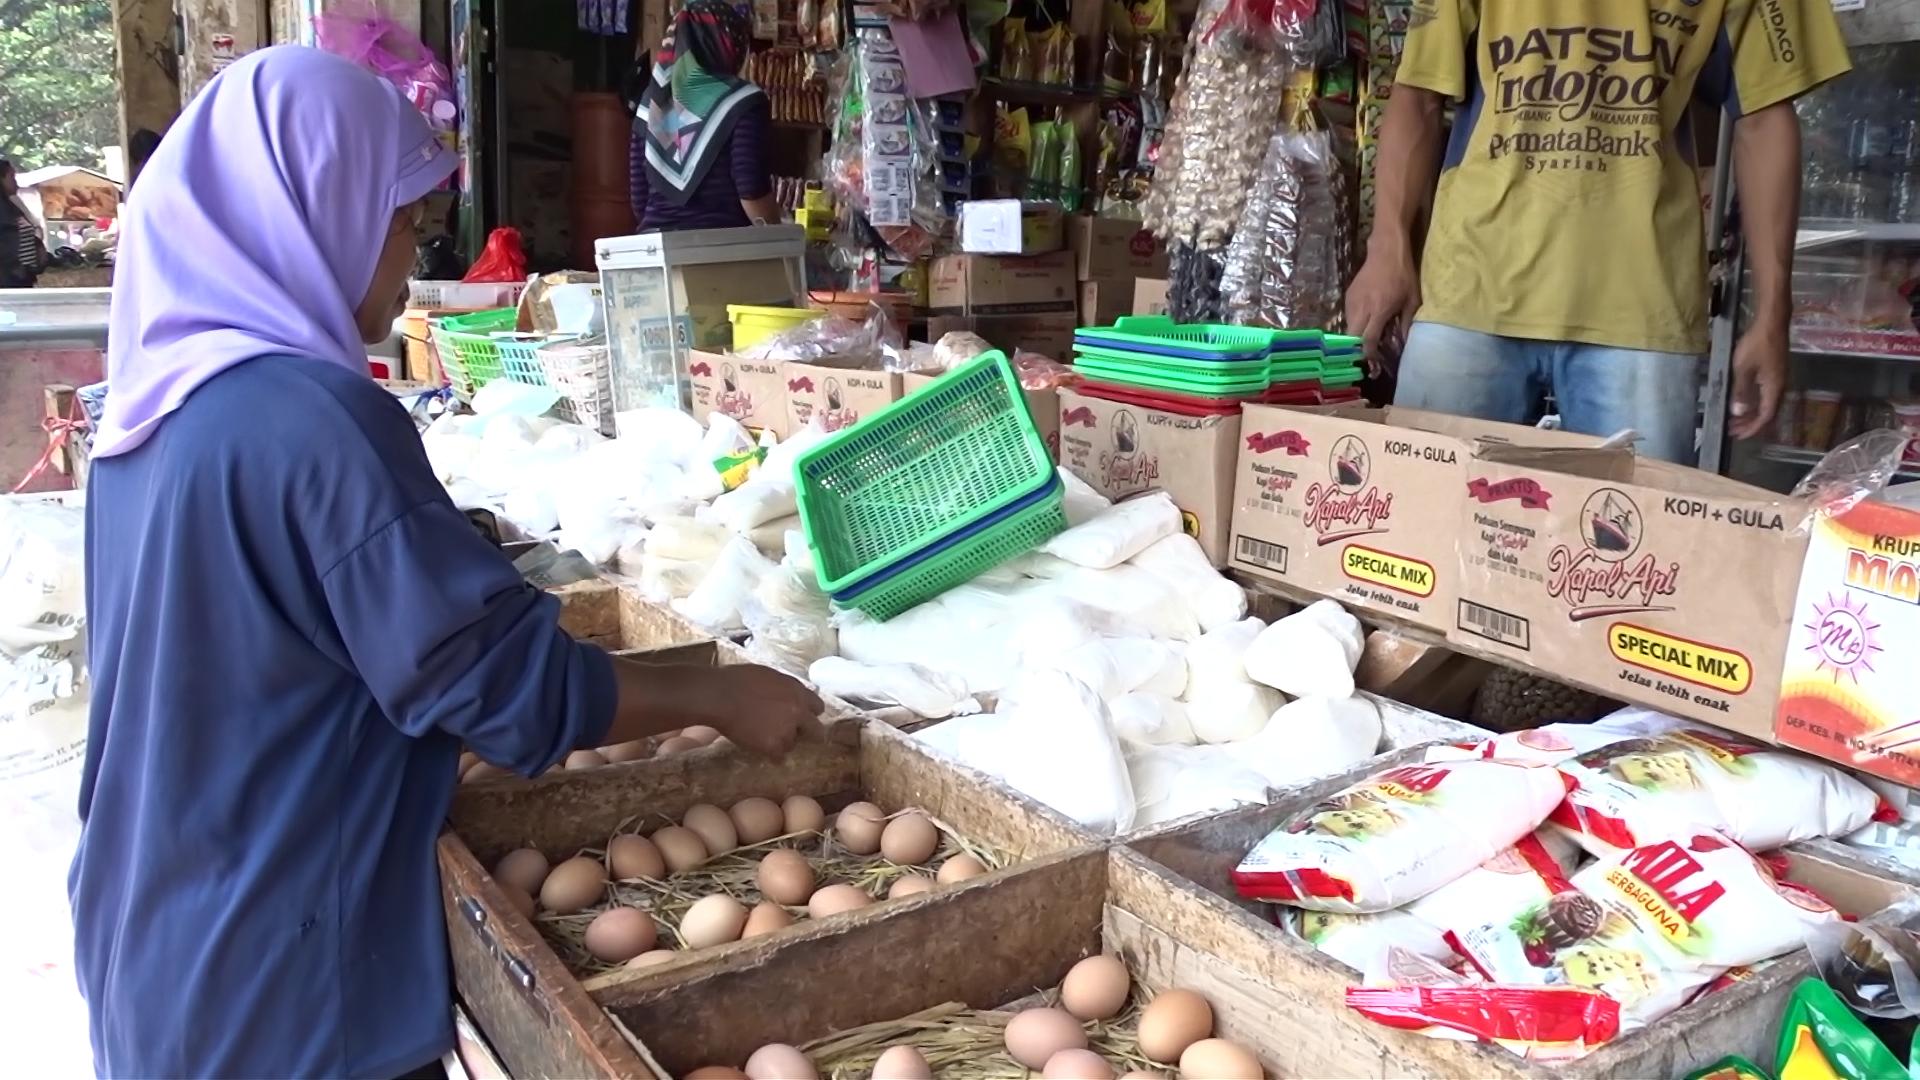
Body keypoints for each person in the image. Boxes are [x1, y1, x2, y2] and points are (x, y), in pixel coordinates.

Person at [70, 47, 822, 1080]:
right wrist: (722, 695)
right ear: (315, 209)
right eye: (400, 220)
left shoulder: (146, 414)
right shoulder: (315, 421)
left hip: (154, 936)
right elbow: (505, 691)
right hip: (288, 984)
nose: (412, 255)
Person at [1345, 0, 1852, 464]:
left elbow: (1764, 115)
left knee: (1630, 546)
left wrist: (1771, 315)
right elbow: (1418, 95)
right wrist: (1388, 249)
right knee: (1424, 525)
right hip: (1471, 286)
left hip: (1640, 303)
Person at [627, 0, 781, 231]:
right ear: (728, 45)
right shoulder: (744, 102)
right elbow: (750, 190)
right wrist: (781, 239)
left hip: (655, 250)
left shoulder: (651, 106)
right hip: (718, 254)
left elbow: (639, 200)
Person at [1, 159, 50, 288]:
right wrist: (14, 266)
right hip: (8, 279)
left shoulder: (13, 205)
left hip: (22, 277)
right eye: (11, 177)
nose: (16, 183)